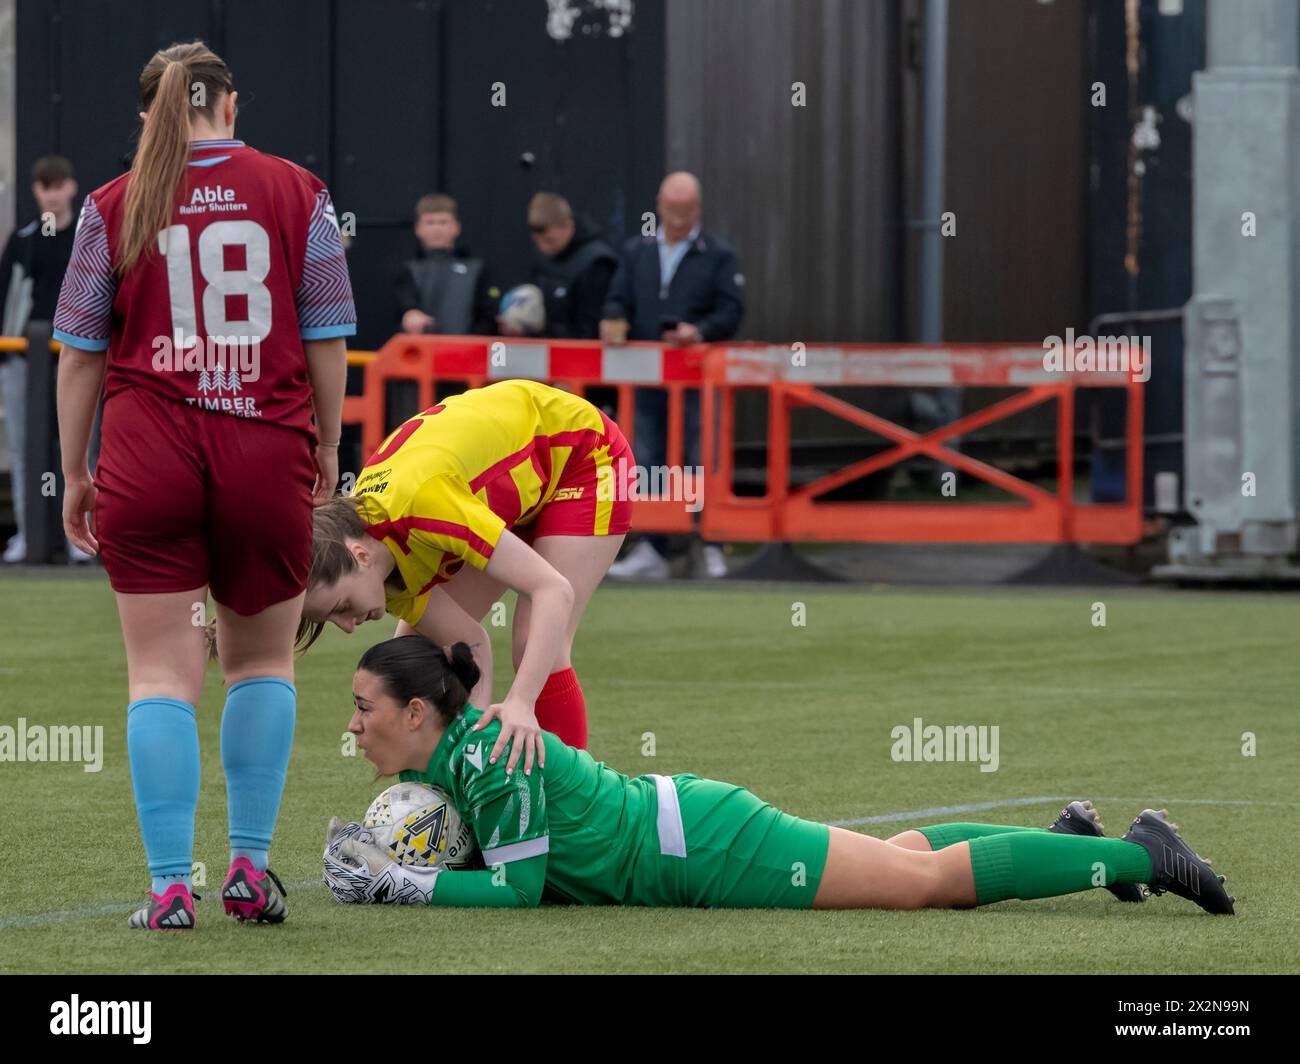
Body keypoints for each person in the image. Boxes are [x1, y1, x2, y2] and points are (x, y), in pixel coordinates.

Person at [53, 41, 355, 931]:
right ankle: (249, 873)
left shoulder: (110, 204)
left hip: (149, 452)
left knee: (159, 676)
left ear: (148, 117)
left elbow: (77, 357)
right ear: (228, 106)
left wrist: (75, 472)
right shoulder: (300, 191)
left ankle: (166, 888)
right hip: (264, 447)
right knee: (260, 662)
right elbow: (329, 333)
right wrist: (328, 443)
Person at [322, 635, 1235, 916]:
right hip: (690, 832)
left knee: (919, 886)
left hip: (703, 847)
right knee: (904, 853)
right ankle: (1063, 843)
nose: (354, 725)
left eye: (366, 706)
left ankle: (1135, 854)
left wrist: (408, 883)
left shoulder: (489, 758)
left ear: (416, 714)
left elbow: (519, 896)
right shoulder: (467, 752)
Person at [299, 378, 637, 766]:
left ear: (358, 554)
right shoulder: (376, 554)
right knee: (421, 658)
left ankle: (572, 806)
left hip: (582, 455)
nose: (346, 625)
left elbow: (553, 591)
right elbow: (469, 643)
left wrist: (520, 703)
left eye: (340, 606)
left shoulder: (424, 506)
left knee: (534, 640)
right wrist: (473, 740)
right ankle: (446, 799)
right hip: (508, 488)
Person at [601, 171, 744, 581]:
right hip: (646, 381)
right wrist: (613, 318)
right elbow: (616, 296)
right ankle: (653, 546)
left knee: (702, 459)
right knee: (646, 459)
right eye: (671, 209)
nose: (678, 219)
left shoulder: (718, 255)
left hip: (698, 381)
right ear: (660, 206)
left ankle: (712, 544)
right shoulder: (636, 251)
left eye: (686, 210)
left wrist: (698, 332)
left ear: (697, 209)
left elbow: (731, 311)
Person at [1, 155, 93, 564]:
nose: (52, 194)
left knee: (81, 448)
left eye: (58, 185)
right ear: (36, 191)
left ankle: (81, 541)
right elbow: (8, 302)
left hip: (78, 357)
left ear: (71, 187)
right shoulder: (23, 240)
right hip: (25, 359)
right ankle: (27, 535)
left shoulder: (87, 237)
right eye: (44, 186)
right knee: (26, 448)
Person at [500, 192, 615, 340]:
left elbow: (589, 330)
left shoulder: (596, 263)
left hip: (578, 356)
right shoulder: (542, 257)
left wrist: (543, 328)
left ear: (569, 226)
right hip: (541, 353)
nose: (543, 248)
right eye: (537, 241)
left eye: (550, 240)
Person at [395, 193, 499, 337]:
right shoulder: (408, 269)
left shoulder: (477, 269)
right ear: (418, 228)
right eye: (430, 222)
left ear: (456, 227)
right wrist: (411, 315)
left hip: (467, 352)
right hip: (423, 351)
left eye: (443, 222)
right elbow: (406, 304)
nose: (437, 228)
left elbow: (488, 316)